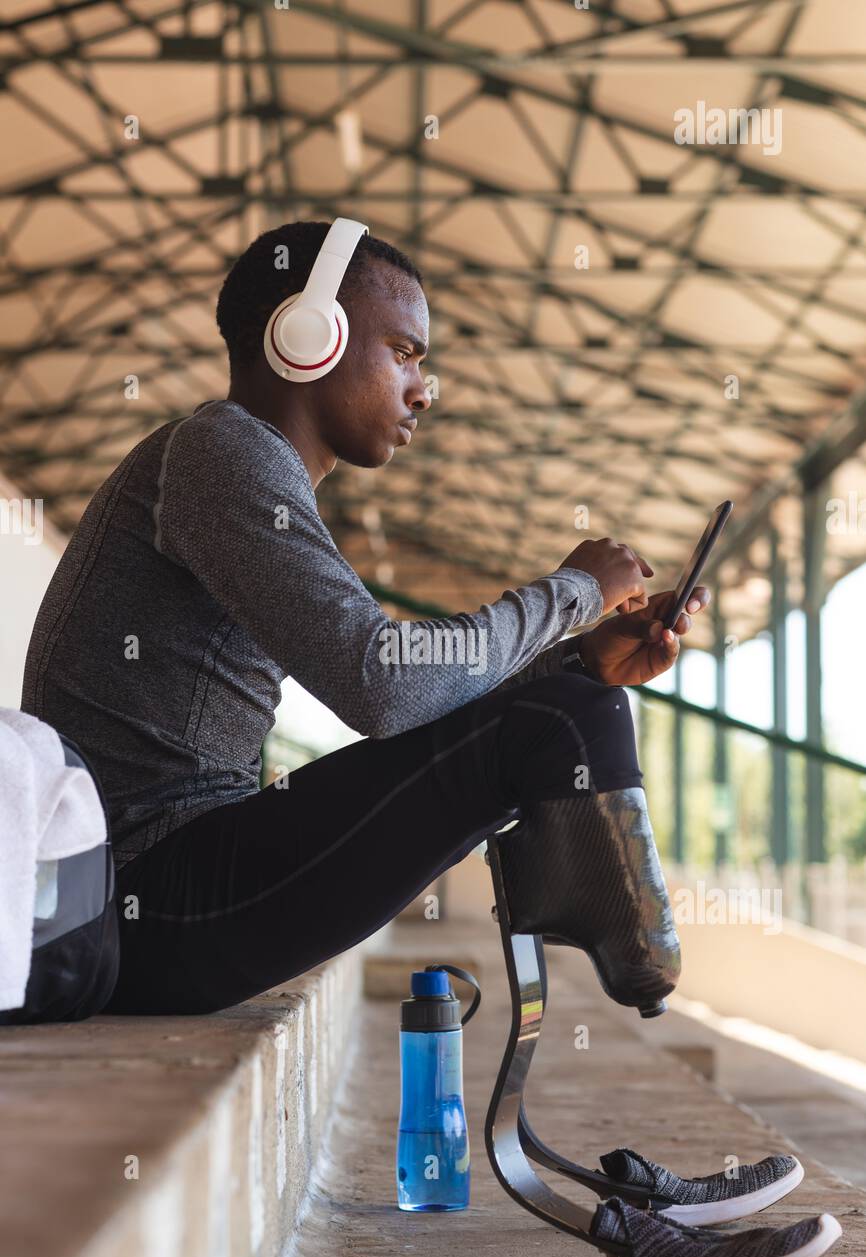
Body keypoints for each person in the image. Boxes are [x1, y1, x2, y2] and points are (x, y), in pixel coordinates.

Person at [20, 220, 709, 1016]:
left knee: (573, 702)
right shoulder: (221, 450)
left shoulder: (234, 463)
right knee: (560, 722)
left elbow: (399, 690)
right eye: (404, 354)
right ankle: (636, 951)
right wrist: (570, 593)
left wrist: (578, 660)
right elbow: (383, 683)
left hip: (159, 899)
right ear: (306, 336)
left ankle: (592, 906)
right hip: (141, 902)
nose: (423, 389)